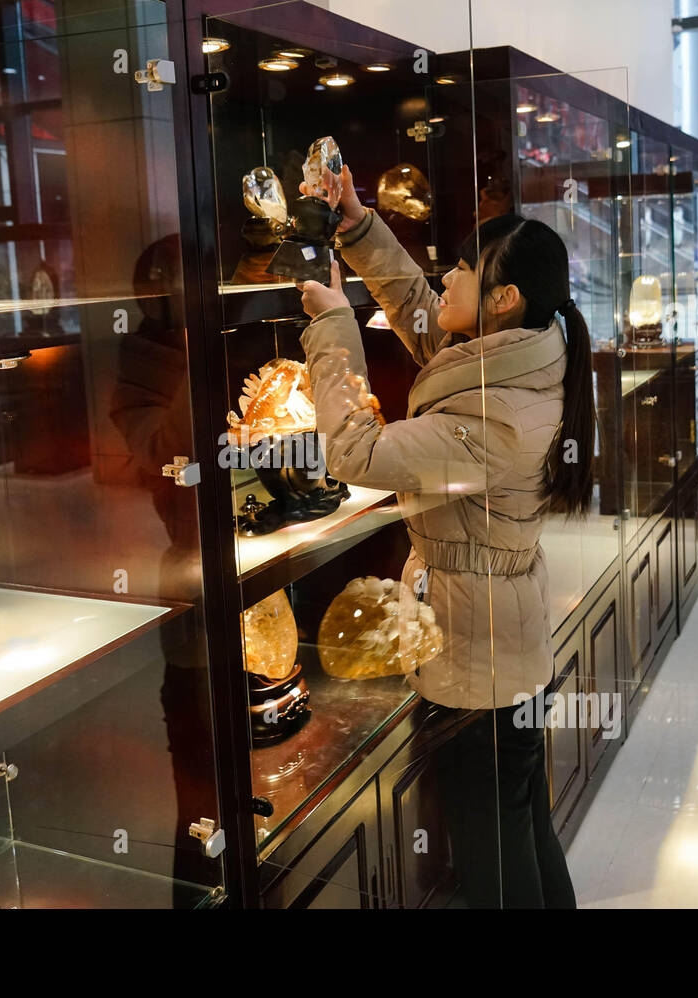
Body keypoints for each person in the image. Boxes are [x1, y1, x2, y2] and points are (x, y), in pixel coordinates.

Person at [295, 165, 592, 907]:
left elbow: (355, 455)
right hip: (505, 643)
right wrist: (358, 224)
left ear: (504, 298)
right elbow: (421, 312)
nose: (445, 280)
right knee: (521, 822)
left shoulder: (494, 417)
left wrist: (332, 325)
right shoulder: (521, 353)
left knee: (491, 856)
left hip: (475, 662)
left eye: (462, 269)